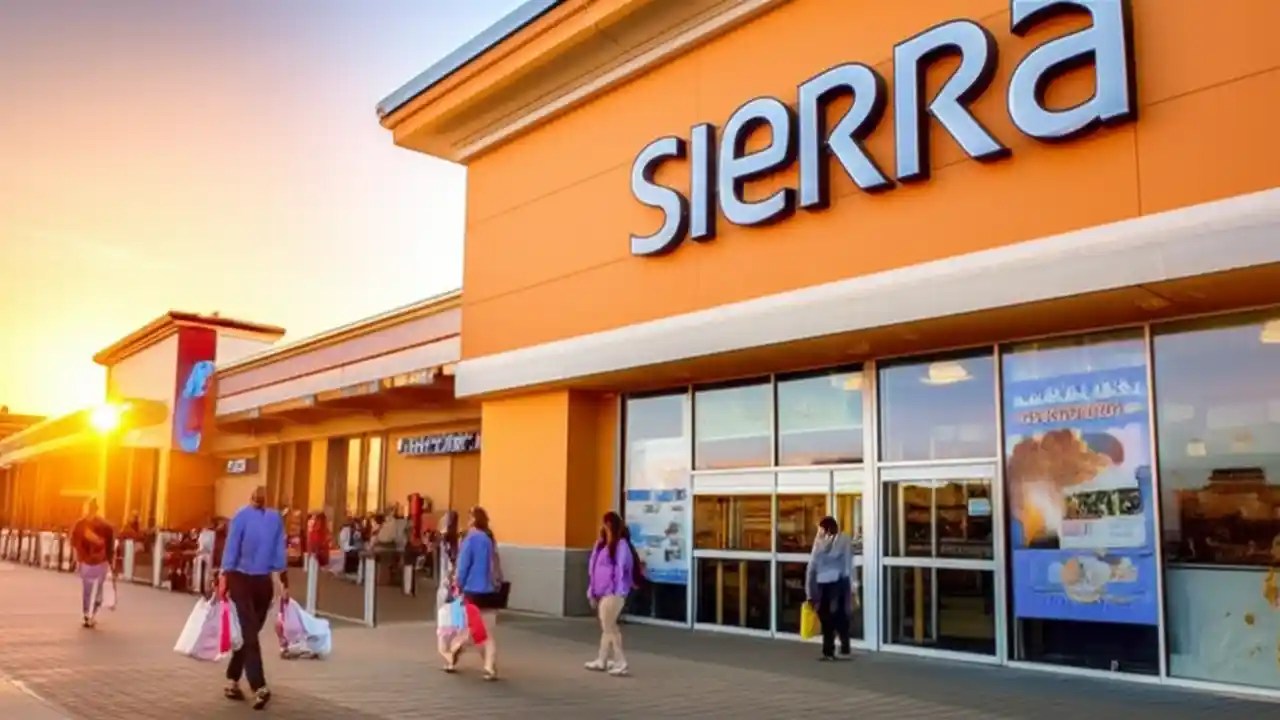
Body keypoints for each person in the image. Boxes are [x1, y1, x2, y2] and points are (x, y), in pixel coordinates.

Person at [218, 485, 287, 710]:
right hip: (245, 578)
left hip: (255, 580)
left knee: (250, 632)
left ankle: (232, 679)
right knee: (249, 630)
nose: (259, 500)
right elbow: (233, 548)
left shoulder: (268, 517)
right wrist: (225, 576)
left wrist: (281, 582)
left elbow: (278, 549)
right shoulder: (250, 516)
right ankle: (259, 685)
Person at [446, 506, 503, 680]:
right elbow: (495, 564)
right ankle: (489, 665)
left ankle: (453, 652)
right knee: (486, 631)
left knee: (471, 630)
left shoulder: (470, 539)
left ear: (472, 520)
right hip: (490, 591)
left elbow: (463, 567)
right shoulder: (489, 539)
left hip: (472, 591)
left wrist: (457, 584)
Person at [585, 511, 634, 676]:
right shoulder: (601, 545)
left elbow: (621, 569)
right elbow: (593, 569)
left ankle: (620, 661)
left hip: (614, 593)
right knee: (608, 627)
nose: (603, 527)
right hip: (603, 592)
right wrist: (592, 591)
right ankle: (602, 659)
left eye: (606, 524)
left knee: (609, 627)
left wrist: (617, 590)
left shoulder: (620, 546)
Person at [806, 515, 853, 661]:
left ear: (827, 529)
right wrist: (809, 590)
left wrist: (851, 584)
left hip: (837, 582)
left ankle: (838, 645)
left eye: (821, 528)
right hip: (822, 583)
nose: (819, 531)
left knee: (835, 614)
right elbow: (812, 564)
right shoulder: (819, 541)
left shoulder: (843, 540)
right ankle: (830, 649)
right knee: (825, 616)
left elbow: (848, 562)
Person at [69, 498, 115, 628]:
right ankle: (91, 615)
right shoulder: (105, 526)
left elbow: (74, 543)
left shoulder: (80, 525)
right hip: (100, 562)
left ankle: (87, 615)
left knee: (88, 589)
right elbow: (110, 546)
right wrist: (111, 561)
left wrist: (74, 559)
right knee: (97, 590)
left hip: (87, 561)